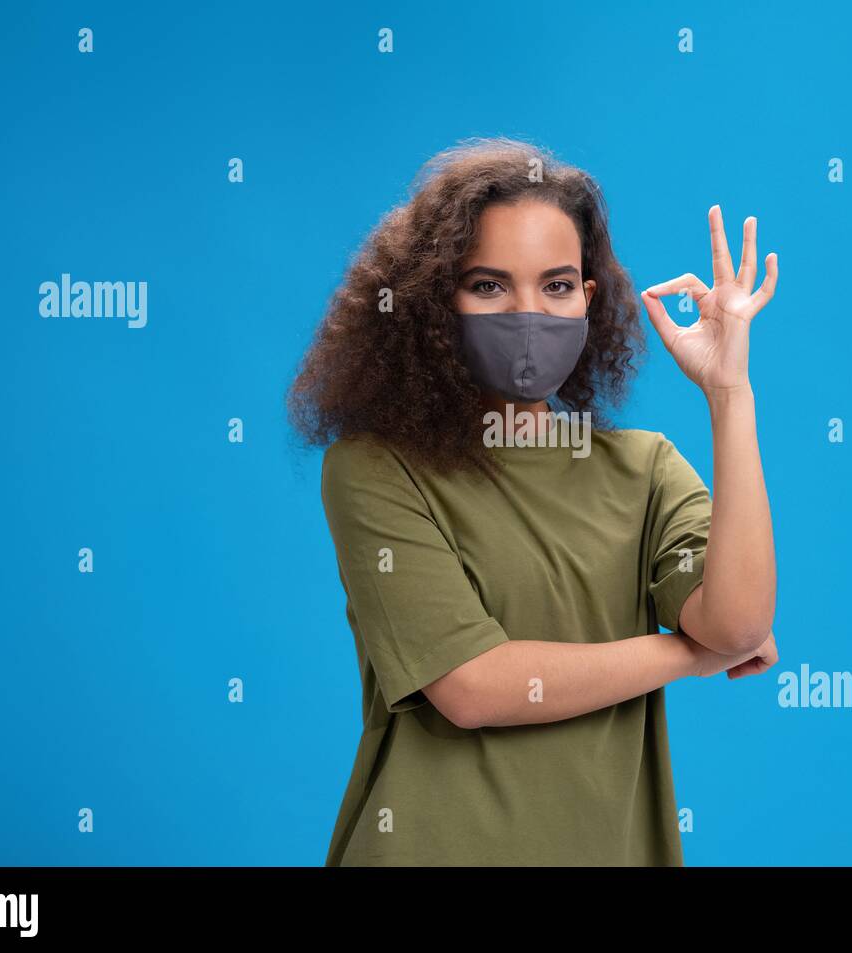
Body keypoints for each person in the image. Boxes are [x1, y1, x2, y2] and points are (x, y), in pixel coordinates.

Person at [286, 136, 780, 866]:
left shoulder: (645, 471)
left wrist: (729, 393)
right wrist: (686, 653)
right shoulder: (375, 470)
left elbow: (738, 623)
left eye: (555, 285)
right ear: (436, 299)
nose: (527, 312)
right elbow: (472, 685)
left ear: (588, 296)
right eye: (488, 285)